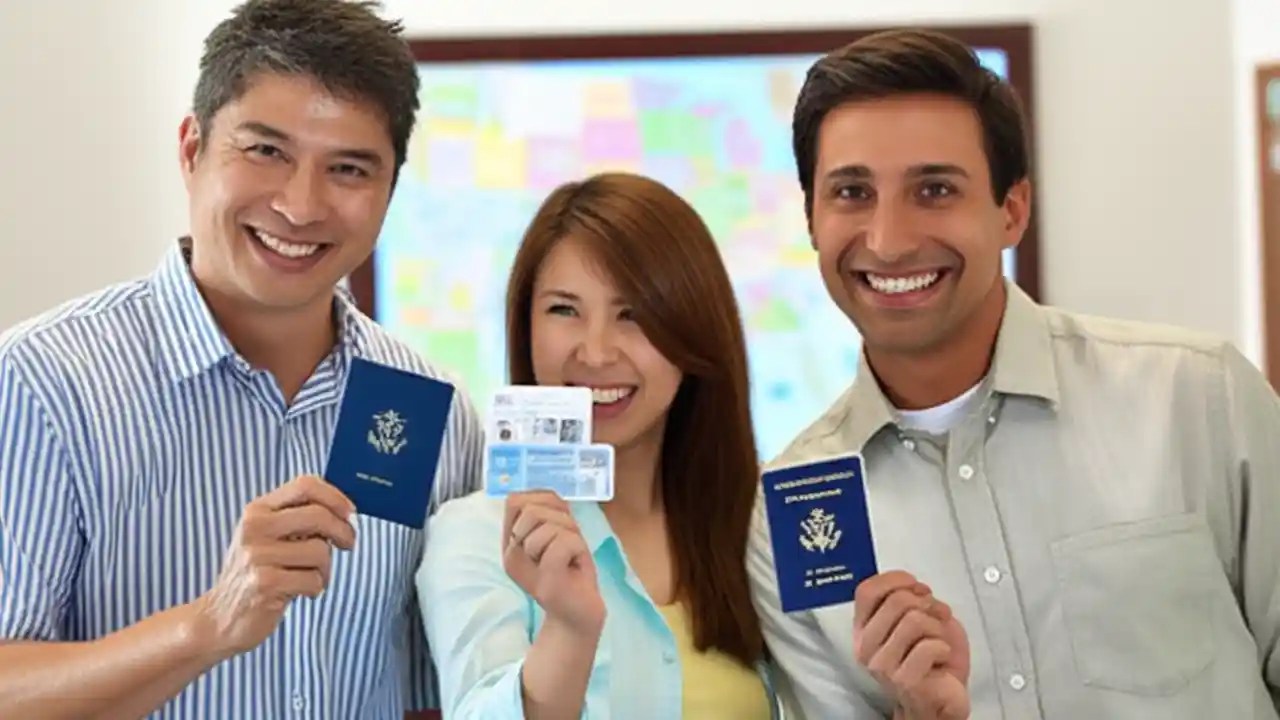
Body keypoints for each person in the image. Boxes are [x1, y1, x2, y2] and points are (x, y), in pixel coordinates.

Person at [747, 27, 1280, 719]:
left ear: (1012, 210)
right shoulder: (794, 510)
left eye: (934, 189)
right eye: (851, 192)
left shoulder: (1197, 397)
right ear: (813, 221)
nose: (888, 240)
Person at [0, 1, 482, 717]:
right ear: (192, 149)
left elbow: (436, 690)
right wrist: (207, 628)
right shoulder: (42, 383)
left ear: (387, 193)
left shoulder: (424, 407)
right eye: (266, 151)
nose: (300, 204)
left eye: (348, 168)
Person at [416, 172, 790, 718]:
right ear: (526, 326)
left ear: (693, 331)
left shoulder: (757, 519)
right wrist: (569, 630)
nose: (595, 353)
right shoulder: (478, 534)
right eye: (564, 310)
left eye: (633, 314)